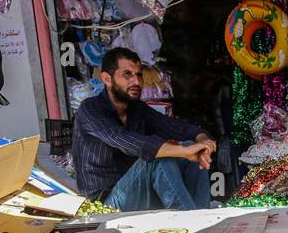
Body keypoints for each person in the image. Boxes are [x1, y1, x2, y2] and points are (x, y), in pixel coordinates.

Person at [72, 47, 215, 211]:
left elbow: (174, 127)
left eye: (139, 75)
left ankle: (202, 214)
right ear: (107, 79)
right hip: (106, 205)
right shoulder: (89, 109)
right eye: (127, 74)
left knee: (190, 148)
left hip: (136, 192)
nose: (136, 82)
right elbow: (125, 140)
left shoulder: (137, 109)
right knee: (157, 157)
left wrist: (202, 140)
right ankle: (191, 223)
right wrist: (183, 151)